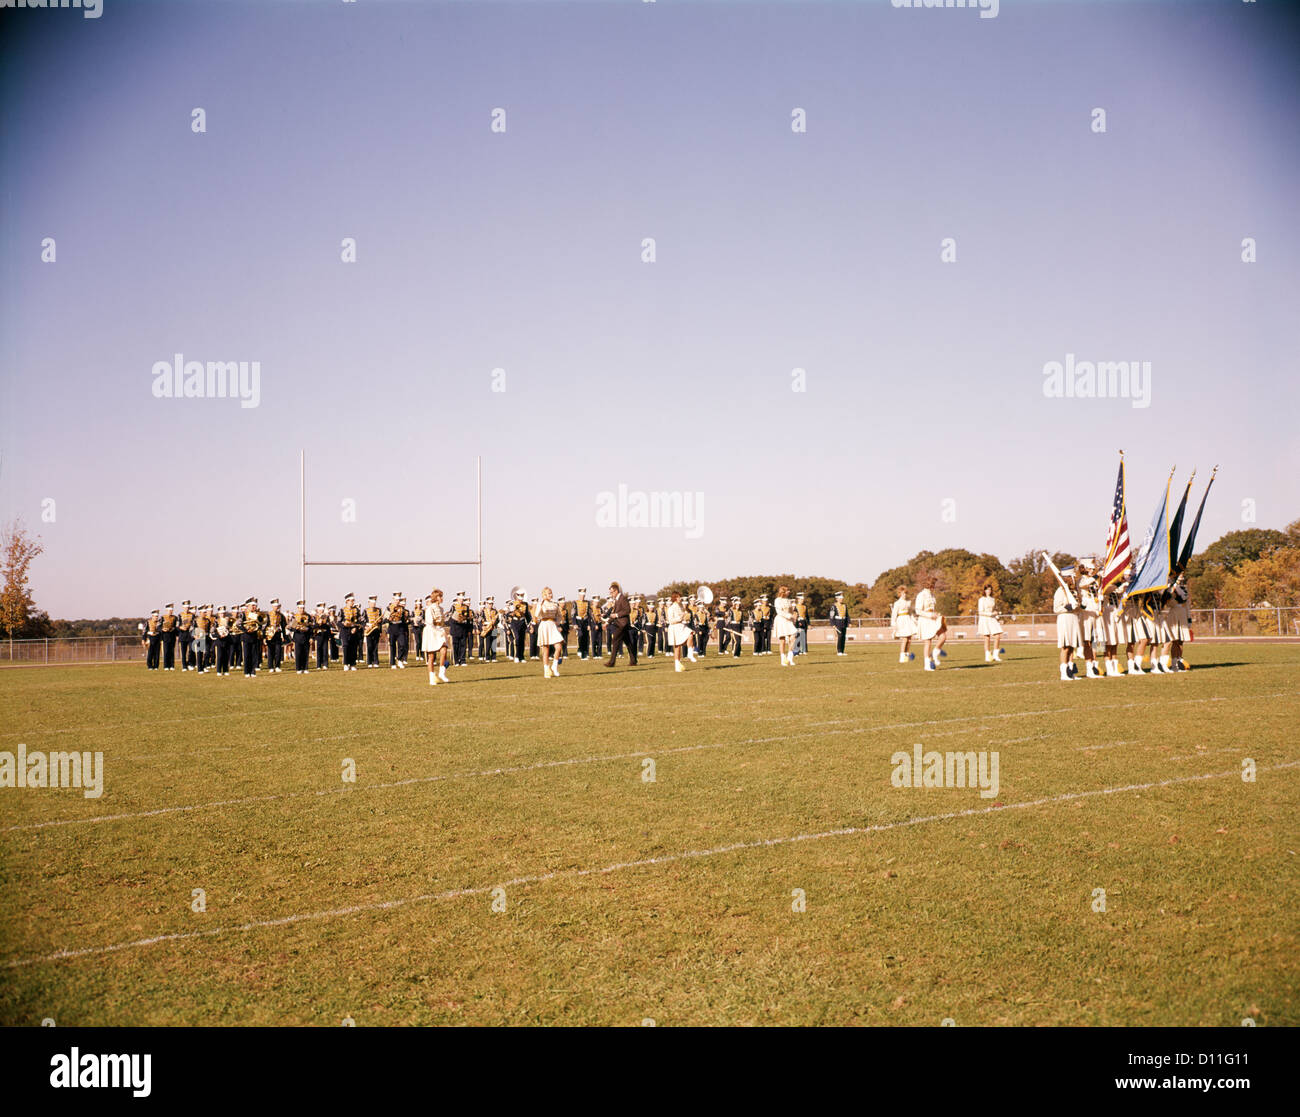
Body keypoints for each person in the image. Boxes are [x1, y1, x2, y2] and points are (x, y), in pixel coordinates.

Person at [604, 581, 638, 667]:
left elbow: (627, 610)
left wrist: (617, 615)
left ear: (616, 591)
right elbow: (613, 613)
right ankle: (633, 660)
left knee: (615, 640)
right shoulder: (617, 600)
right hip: (620, 624)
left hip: (622, 625)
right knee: (628, 643)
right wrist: (607, 622)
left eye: (612, 592)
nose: (611, 594)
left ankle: (612, 662)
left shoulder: (623, 598)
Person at [915, 579, 947, 671]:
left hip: (933, 619)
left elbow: (931, 608)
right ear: (930, 585)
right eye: (933, 584)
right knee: (928, 642)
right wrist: (930, 615)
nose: (934, 586)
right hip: (925, 619)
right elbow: (918, 611)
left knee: (943, 636)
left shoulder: (932, 594)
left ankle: (935, 653)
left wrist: (936, 614)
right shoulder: (921, 595)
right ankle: (927, 664)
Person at [1054, 576, 1082, 681]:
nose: (1073, 579)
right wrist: (1067, 607)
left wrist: (1079, 606)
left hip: (1073, 618)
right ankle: (1064, 673)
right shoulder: (1060, 591)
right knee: (1065, 647)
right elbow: (1056, 608)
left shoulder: (1073, 591)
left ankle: (1071, 672)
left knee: (1071, 647)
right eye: (1071, 577)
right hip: (1064, 618)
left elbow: (1076, 607)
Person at [535, 586, 566, 677]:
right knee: (546, 649)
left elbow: (559, 615)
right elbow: (537, 615)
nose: (550, 595)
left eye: (551, 593)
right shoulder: (541, 603)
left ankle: (554, 666)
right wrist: (540, 605)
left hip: (552, 625)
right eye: (548, 593)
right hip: (544, 625)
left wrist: (557, 622)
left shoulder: (554, 604)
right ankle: (546, 670)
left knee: (559, 646)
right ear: (544, 594)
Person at [423, 589, 450, 685]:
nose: (442, 598)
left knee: (444, 650)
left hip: (440, 630)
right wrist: (438, 631)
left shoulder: (441, 609)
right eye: (440, 596)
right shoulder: (430, 608)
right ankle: (431, 678)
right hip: (431, 631)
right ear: (436, 598)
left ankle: (442, 673)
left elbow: (442, 622)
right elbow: (429, 623)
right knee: (431, 656)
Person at [976, 585, 1004, 663]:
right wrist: (990, 614)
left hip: (992, 619)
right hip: (984, 619)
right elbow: (980, 612)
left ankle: (996, 655)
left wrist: (997, 616)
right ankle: (988, 656)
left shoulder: (993, 599)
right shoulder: (981, 599)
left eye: (990, 589)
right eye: (987, 589)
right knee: (987, 638)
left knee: (998, 636)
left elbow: (994, 610)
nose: (988, 591)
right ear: (984, 590)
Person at [772, 585, 799, 667]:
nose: (789, 592)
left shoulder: (788, 600)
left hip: (788, 621)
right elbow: (779, 612)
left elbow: (791, 610)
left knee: (793, 638)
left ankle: (789, 658)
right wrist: (790, 616)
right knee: (782, 641)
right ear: (783, 592)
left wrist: (794, 615)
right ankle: (783, 659)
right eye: (787, 590)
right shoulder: (777, 600)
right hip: (781, 620)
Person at [666, 591, 692, 673]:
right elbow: (670, 620)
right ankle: (677, 666)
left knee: (690, 634)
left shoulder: (681, 606)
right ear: (674, 598)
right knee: (677, 647)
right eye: (677, 597)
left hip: (681, 626)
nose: (679, 598)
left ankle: (690, 653)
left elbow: (684, 615)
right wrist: (680, 618)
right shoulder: (671, 608)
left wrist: (685, 615)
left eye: (679, 597)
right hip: (674, 627)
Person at [339, 593, 362, 671]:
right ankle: (346, 663)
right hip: (345, 631)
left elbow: (361, 621)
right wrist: (344, 624)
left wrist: (356, 628)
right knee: (346, 646)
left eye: (353, 601)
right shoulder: (342, 610)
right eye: (351, 601)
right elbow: (338, 622)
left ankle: (353, 664)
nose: (352, 602)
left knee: (353, 648)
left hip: (354, 631)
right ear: (347, 601)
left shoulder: (356, 610)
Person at [290, 599, 313, 674]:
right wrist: (296, 628)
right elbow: (291, 627)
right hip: (298, 636)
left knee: (306, 653)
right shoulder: (295, 616)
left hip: (306, 636)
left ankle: (305, 668)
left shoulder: (308, 616)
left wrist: (311, 637)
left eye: (303, 608)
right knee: (298, 653)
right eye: (300, 608)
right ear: (298, 608)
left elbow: (311, 627)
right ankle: (298, 668)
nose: (302, 609)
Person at [829, 591, 849, 655]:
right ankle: (839, 651)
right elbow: (831, 616)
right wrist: (833, 624)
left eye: (842, 598)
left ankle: (842, 651)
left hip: (843, 622)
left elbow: (847, 615)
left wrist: (849, 622)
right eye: (840, 598)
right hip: (837, 623)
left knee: (843, 637)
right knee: (839, 636)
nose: (841, 599)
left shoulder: (844, 605)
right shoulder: (834, 606)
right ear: (837, 598)